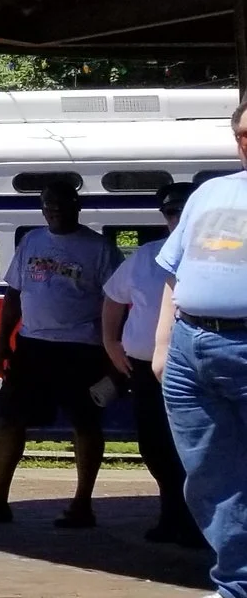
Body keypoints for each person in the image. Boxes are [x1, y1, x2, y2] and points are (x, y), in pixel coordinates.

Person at [0, 180, 120, 528]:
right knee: (9, 420)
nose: (54, 210)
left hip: (81, 348)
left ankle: (82, 504)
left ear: (77, 206)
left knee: (85, 423)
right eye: (48, 205)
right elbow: (14, 294)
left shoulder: (100, 249)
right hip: (32, 346)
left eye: (61, 204)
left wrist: (111, 349)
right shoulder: (31, 241)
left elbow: (116, 302)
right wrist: (2, 340)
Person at [151, 105, 247, 598]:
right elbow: (174, 271)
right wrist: (165, 347)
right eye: (241, 134)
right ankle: (237, 587)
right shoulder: (210, 193)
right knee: (210, 473)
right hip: (192, 345)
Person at [103, 181, 204, 547]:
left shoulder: (217, 253)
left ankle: (198, 522)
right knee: (155, 447)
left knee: (195, 447)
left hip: (195, 367)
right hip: (145, 370)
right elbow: (113, 298)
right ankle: (171, 513)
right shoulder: (147, 256)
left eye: (181, 211)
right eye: (169, 212)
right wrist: (111, 343)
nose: (175, 219)